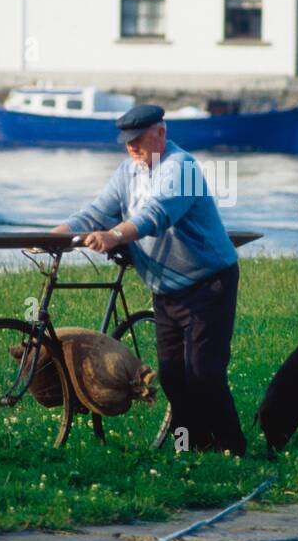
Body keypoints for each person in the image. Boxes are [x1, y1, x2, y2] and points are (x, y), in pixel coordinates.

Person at [51, 104, 246, 455]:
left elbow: (157, 214)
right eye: (126, 141)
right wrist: (56, 235)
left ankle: (232, 449)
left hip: (208, 283)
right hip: (167, 290)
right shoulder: (128, 171)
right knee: (172, 376)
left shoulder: (182, 167)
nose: (131, 147)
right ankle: (190, 447)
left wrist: (115, 235)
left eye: (138, 139)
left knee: (204, 372)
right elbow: (96, 211)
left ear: (161, 133)